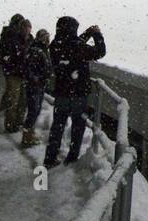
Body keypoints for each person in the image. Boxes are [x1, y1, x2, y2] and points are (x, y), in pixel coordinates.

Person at [43, 17, 105, 168]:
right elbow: (100, 51)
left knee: (57, 127)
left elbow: (72, 43)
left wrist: (87, 33)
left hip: (61, 93)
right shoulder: (78, 46)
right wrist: (97, 34)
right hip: (79, 94)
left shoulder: (54, 45)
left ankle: (50, 158)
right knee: (78, 127)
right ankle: (72, 157)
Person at [0, 13, 29, 134]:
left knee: (16, 99)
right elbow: (16, 51)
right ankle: (12, 125)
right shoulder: (12, 35)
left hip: (15, 71)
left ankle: (14, 123)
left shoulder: (10, 34)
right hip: (16, 71)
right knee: (15, 100)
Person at [21, 28, 51, 149]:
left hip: (38, 85)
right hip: (35, 86)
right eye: (46, 38)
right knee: (33, 110)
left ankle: (29, 133)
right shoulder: (36, 50)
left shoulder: (41, 50)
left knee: (35, 110)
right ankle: (27, 137)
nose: (48, 40)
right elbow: (30, 69)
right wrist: (37, 80)